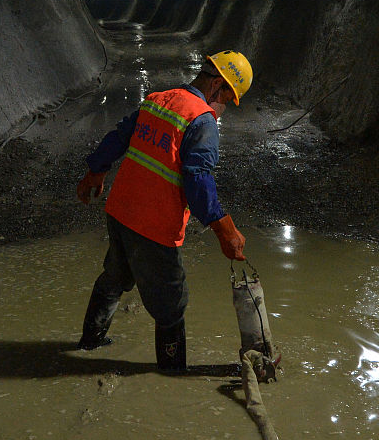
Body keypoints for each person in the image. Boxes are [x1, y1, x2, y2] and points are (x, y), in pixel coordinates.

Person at [74, 50, 253, 372]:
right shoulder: (202, 120)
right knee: (171, 305)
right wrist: (224, 228)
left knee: (115, 277)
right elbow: (197, 180)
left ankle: (90, 341)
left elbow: (118, 137)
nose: (224, 107)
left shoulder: (159, 99)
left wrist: (95, 171)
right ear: (217, 85)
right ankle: (172, 371)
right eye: (227, 97)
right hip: (154, 225)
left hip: (120, 210)